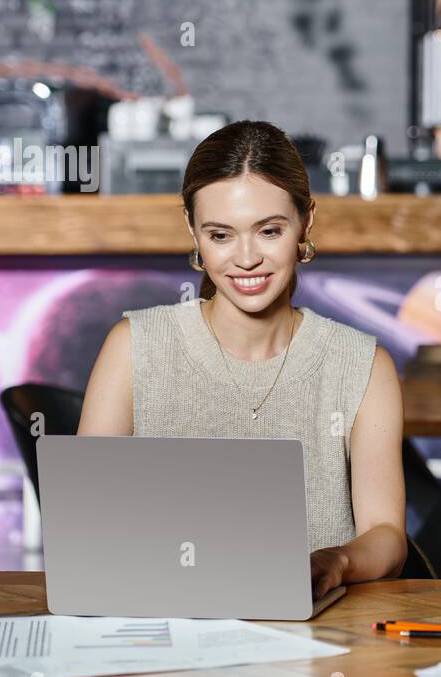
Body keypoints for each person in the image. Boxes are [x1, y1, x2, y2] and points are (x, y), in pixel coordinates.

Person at [80, 120, 407, 596]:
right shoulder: (134, 346)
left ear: (305, 222)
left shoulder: (362, 365)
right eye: (220, 235)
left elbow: (387, 535)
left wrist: (336, 562)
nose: (247, 258)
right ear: (192, 231)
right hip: (161, 619)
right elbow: (86, 522)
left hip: (317, 633)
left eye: (269, 230)